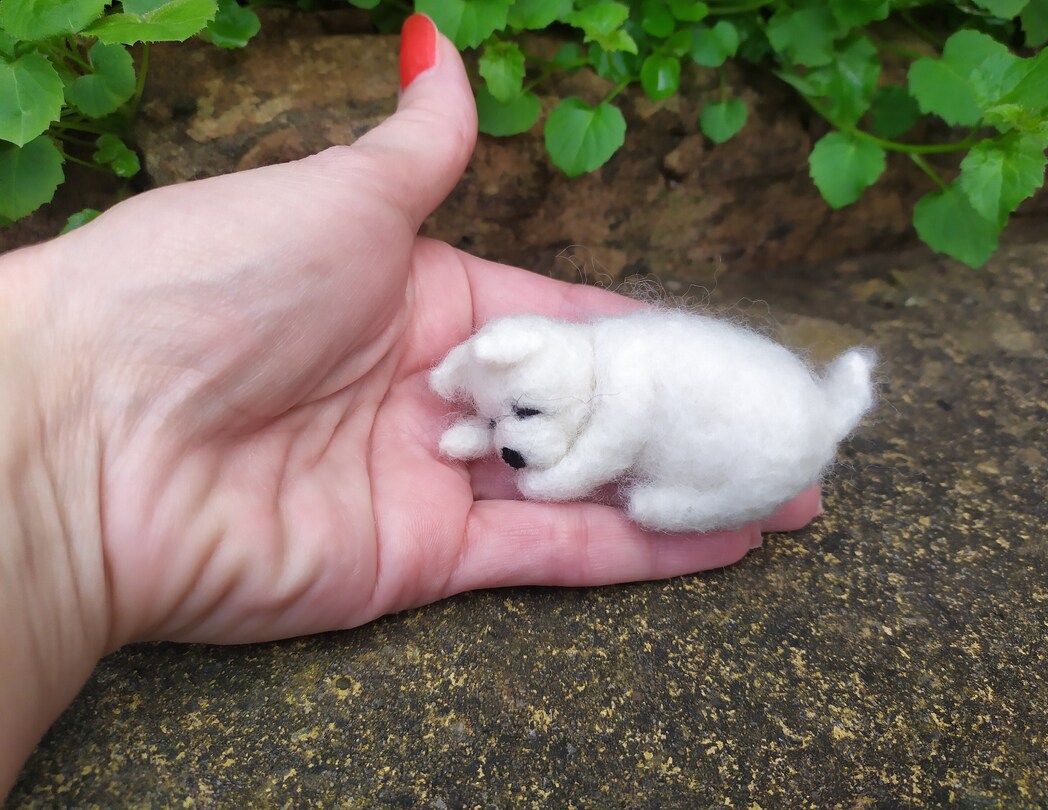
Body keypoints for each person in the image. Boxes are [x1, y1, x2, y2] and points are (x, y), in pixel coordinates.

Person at [0, 15, 821, 797]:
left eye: (520, 419)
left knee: (685, 491)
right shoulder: (562, 366)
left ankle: (734, 484)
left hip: (765, 434)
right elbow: (502, 419)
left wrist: (555, 478)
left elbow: (589, 455)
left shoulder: (627, 378)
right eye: (509, 418)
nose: (507, 438)